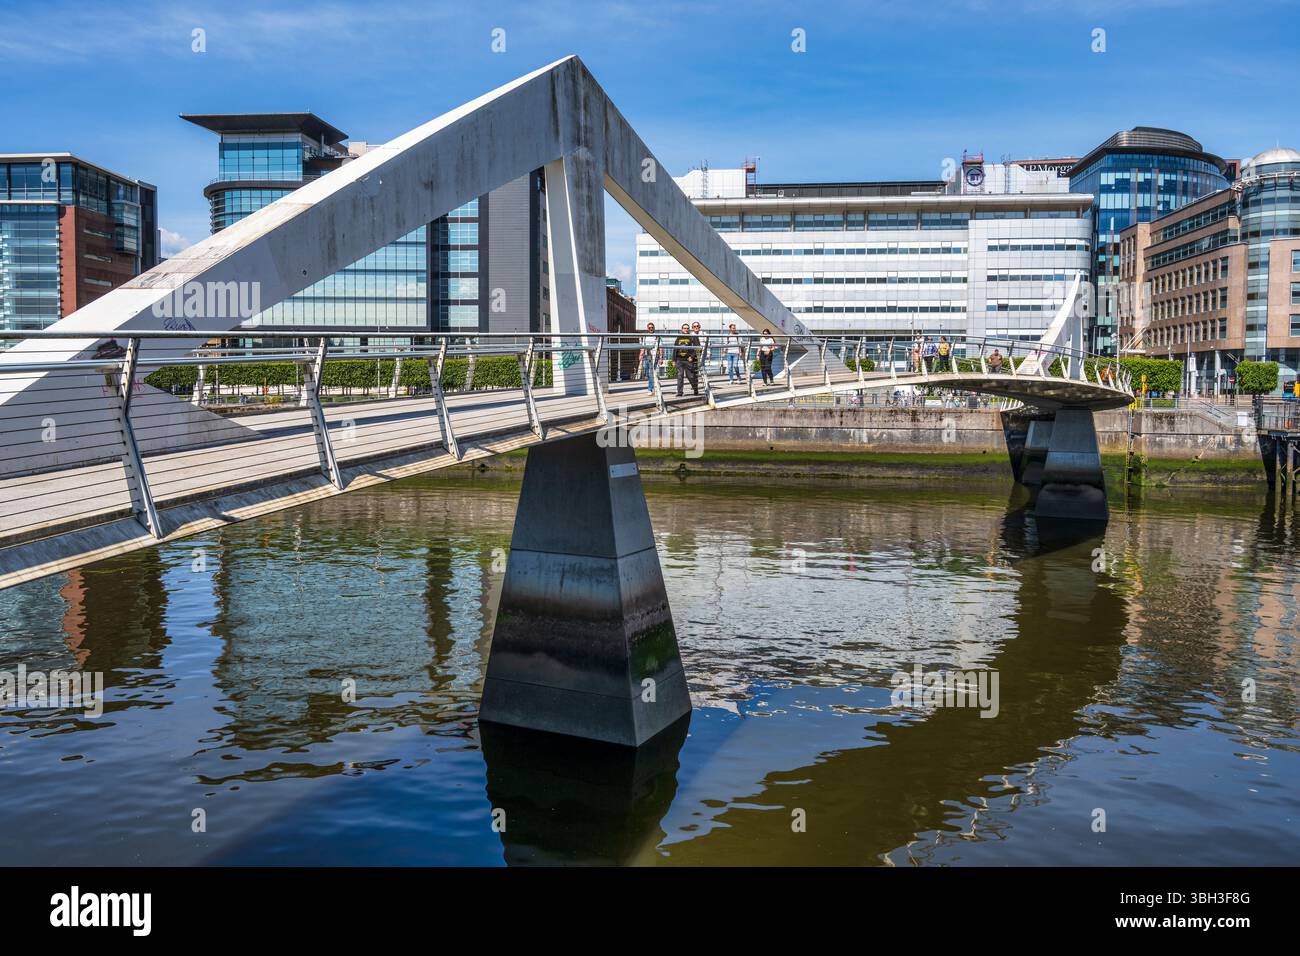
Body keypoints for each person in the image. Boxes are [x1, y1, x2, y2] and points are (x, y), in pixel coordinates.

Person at [673, 323, 700, 397]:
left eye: (687, 328)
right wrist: (673, 360)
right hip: (679, 360)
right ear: (682, 329)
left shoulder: (692, 337)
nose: (686, 329)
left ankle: (695, 389)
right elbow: (675, 349)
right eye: (684, 328)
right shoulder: (678, 338)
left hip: (688, 360)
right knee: (680, 376)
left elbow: (698, 348)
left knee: (690, 376)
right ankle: (679, 392)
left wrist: (692, 356)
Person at [637, 323, 660, 392]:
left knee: (650, 372)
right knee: (646, 372)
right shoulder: (645, 336)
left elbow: (660, 348)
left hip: (654, 356)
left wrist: (661, 358)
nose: (651, 328)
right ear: (647, 328)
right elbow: (643, 347)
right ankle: (655, 381)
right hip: (647, 356)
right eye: (649, 327)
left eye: (652, 327)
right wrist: (640, 355)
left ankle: (650, 389)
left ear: (654, 328)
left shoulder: (657, 336)